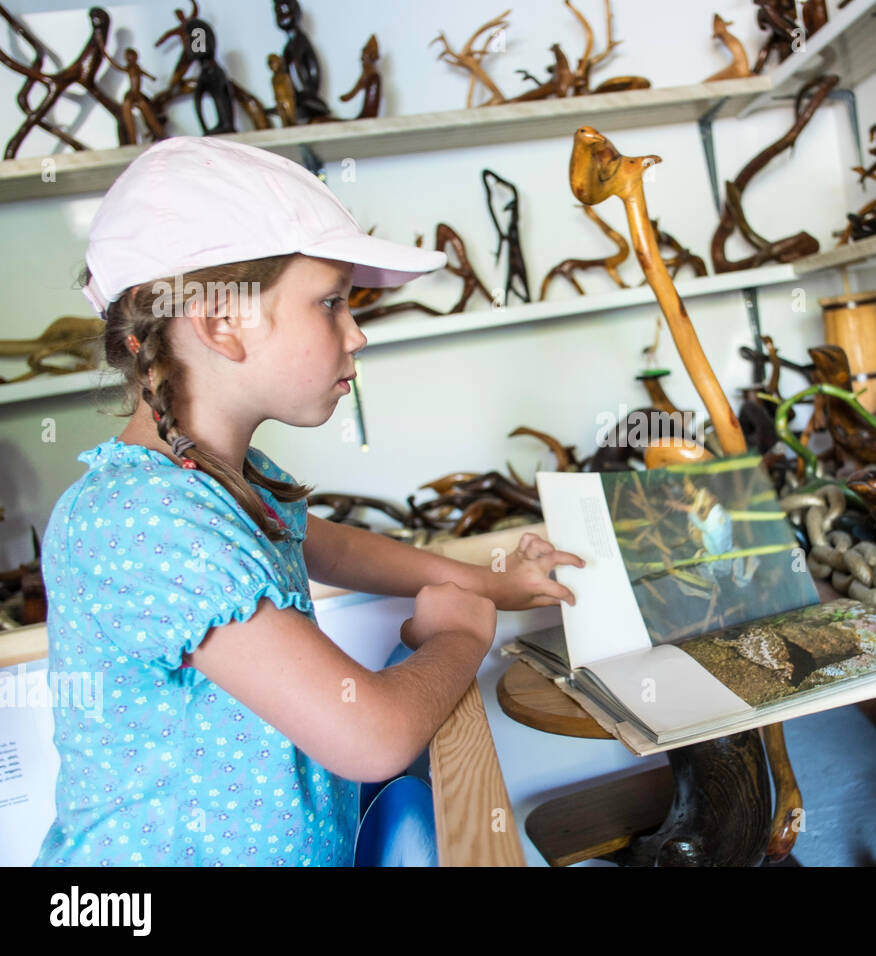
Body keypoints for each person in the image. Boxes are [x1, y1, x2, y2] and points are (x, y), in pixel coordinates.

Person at [35, 136, 584, 866]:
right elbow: (373, 737)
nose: (356, 334)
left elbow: (335, 547)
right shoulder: (137, 520)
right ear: (220, 322)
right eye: (330, 304)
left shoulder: (227, 478)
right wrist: (459, 637)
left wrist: (496, 584)